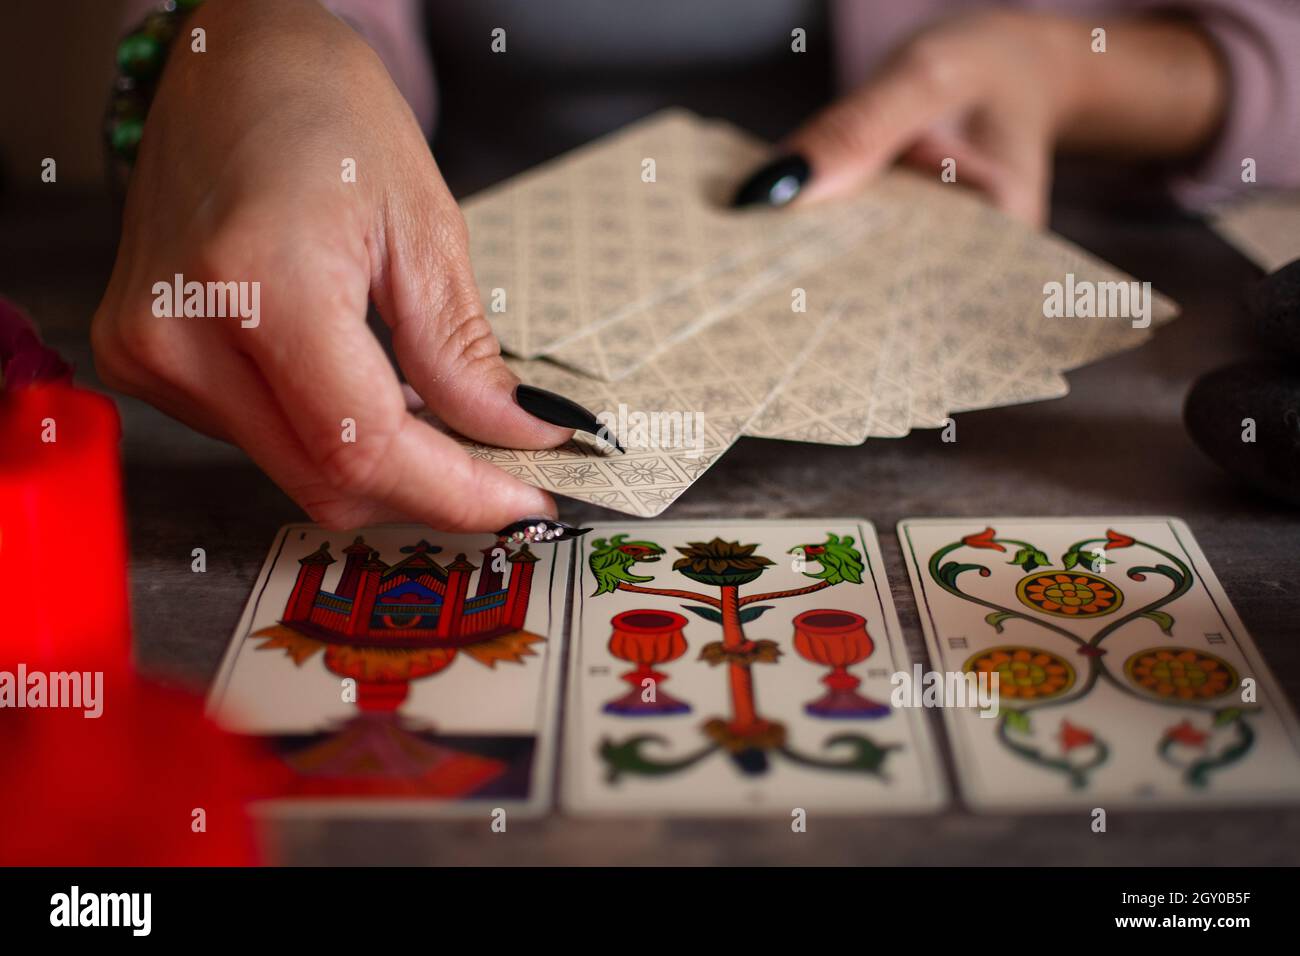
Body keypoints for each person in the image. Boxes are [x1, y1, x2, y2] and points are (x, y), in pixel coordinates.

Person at [92, 0, 1300, 533]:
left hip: (1115, 321)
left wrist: (1082, 71)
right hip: (402, 296)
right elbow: (226, 33)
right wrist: (243, 29)